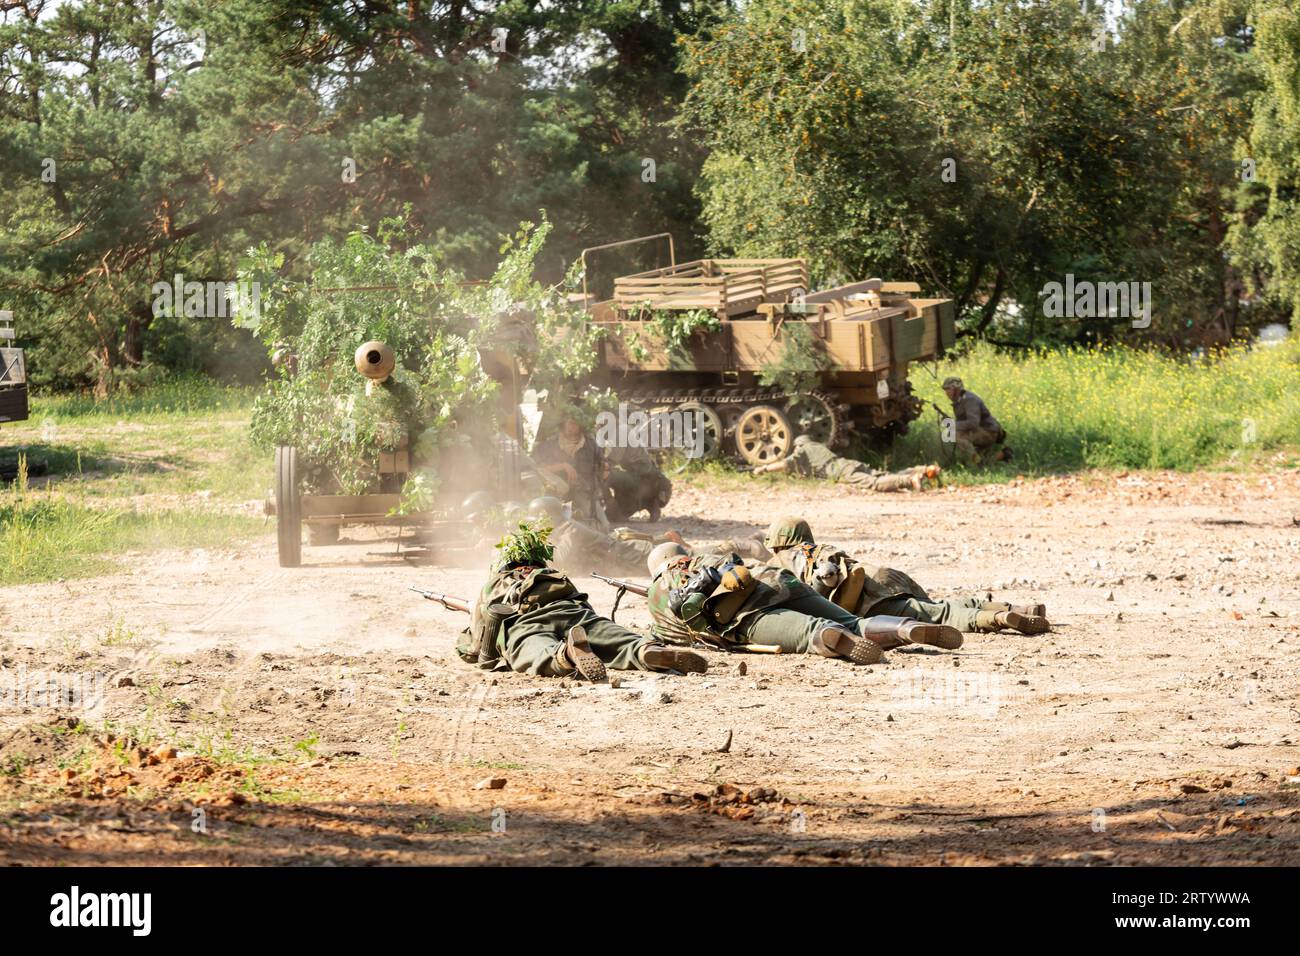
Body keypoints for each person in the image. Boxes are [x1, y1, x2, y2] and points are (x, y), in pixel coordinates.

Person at [457, 523, 707, 680]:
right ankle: (646, 651)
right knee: (616, 639)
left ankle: (565, 654)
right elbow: (582, 603)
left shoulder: (494, 584)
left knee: (535, 653)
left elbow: (477, 648)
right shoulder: (551, 575)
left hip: (526, 623)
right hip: (574, 613)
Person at [643, 543, 963, 666]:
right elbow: (741, 560)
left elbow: (679, 634)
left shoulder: (658, 590)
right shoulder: (705, 555)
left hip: (746, 616)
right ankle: (906, 629)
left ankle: (837, 642)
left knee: (813, 631)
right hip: (779, 580)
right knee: (853, 623)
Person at [762, 516, 1050, 634]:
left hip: (869, 600)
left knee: (938, 615)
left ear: (779, 541)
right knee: (937, 608)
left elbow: (826, 573)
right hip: (882, 578)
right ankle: (1014, 609)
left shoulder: (795, 555)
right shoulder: (817, 545)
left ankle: (996, 619)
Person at [751, 434, 941, 491]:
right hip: (849, 463)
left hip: (842, 471)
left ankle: (910, 480)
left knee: (874, 484)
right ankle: (924, 469)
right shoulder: (817, 445)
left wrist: (764, 469)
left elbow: (784, 465)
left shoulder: (802, 450)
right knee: (881, 475)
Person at [533, 412, 606, 523]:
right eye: (568, 423)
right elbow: (539, 467)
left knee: (601, 526)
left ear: (581, 426)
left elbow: (602, 467)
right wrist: (562, 466)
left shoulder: (590, 445)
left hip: (583, 492)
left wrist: (597, 487)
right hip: (557, 493)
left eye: (573, 423)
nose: (570, 426)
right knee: (554, 523)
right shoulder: (550, 444)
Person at [942, 376, 1011, 464]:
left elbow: (973, 422)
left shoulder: (970, 400)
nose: (947, 392)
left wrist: (953, 424)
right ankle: (1002, 455)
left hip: (988, 432)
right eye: (945, 390)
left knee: (954, 434)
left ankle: (977, 464)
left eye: (949, 389)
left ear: (956, 389)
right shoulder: (959, 401)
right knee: (984, 461)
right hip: (981, 431)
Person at [603, 444, 672, 521]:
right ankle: (649, 503)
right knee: (611, 517)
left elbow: (610, 462)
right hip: (642, 483)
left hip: (642, 482)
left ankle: (649, 503)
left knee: (607, 475)